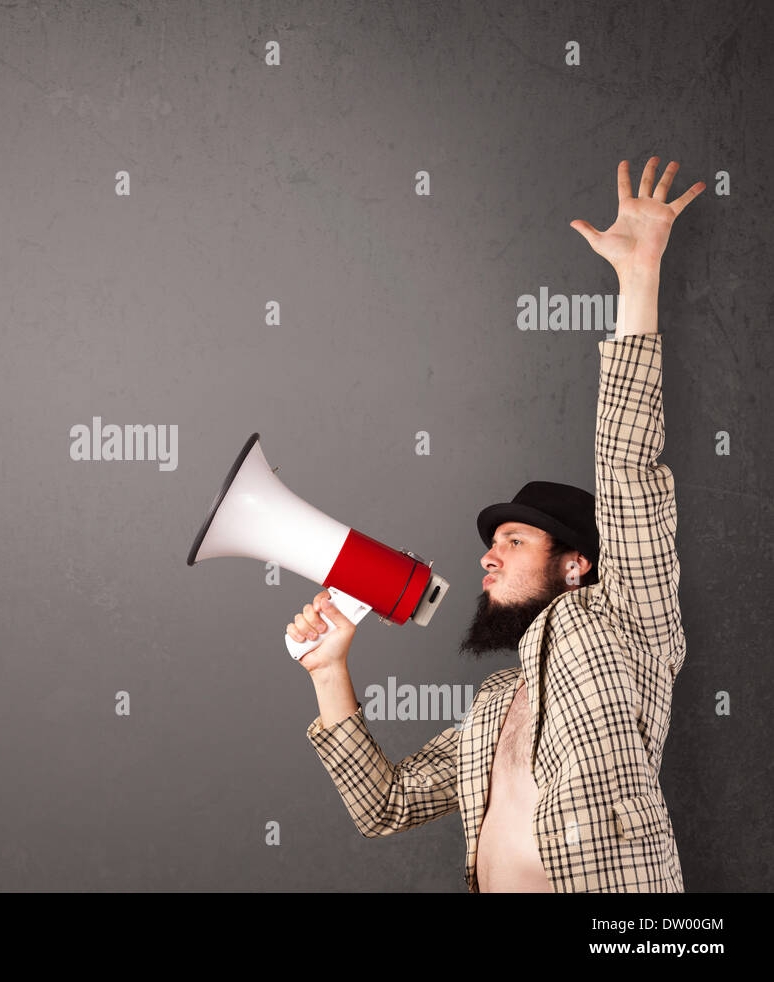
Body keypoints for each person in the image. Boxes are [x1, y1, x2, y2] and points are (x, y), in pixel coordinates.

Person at [291, 156, 702, 892]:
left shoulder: (627, 620)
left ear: (576, 563)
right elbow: (384, 806)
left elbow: (626, 466)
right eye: (489, 544)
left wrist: (639, 275)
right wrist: (329, 672)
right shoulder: (493, 707)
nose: (488, 556)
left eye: (514, 540)